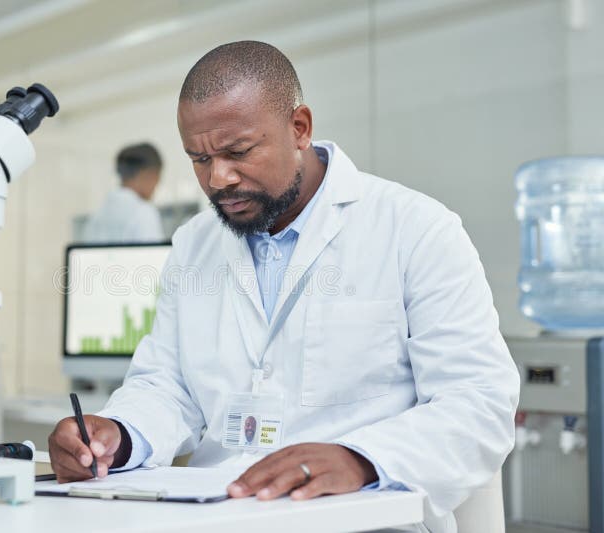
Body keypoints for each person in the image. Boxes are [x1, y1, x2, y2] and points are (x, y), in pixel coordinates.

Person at [50, 41, 519, 532]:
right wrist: (117, 436)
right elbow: (168, 385)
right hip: (221, 516)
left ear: (299, 128)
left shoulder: (415, 229)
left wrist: (359, 460)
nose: (218, 179)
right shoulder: (194, 244)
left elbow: (478, 403)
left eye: (237, 152)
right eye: (199, 159)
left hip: (367, 520)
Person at [80, 142, 165, 243]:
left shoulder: (95, 218)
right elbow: (153, 256)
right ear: (147, 174)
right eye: (157, 178)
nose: (156, 186)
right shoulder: (144, 213)